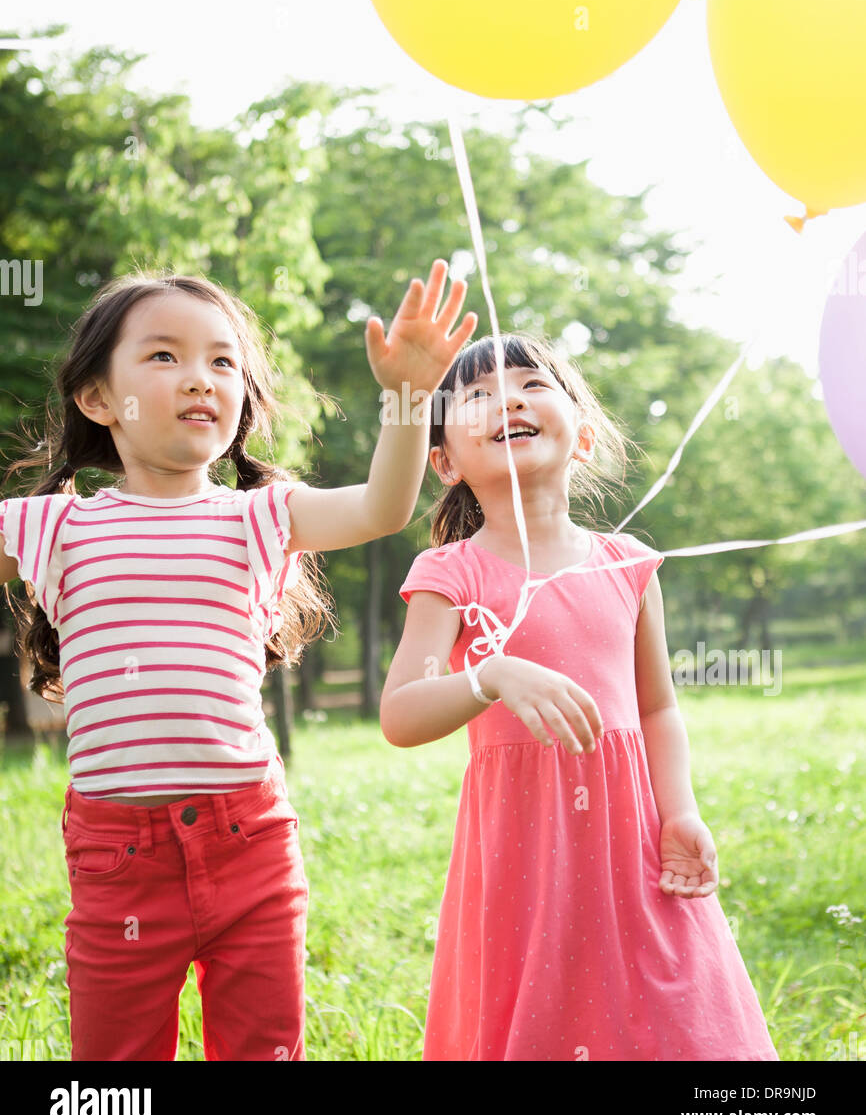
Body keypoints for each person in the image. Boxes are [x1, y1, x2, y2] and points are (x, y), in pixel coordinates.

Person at [0, 260, 476, 1061]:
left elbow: (382, 507)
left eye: (223, 362)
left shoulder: (260, 518)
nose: (200, 378)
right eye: (164, 356)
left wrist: (407, 397)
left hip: (247, 838)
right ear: (96, 398)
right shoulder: (56, 528)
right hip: (119, 855)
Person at [381, 331, 779, 1061]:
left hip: (631, 836)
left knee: (670, 1004)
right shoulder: (450, 572)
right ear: (445, 462)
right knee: (543, 995)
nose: (507, 398)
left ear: (584, 436)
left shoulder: (628, 565)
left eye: (532, 383)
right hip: (522, 846)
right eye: (475, 395)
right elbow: (402, 713)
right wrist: (489, 676)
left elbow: (657, 708)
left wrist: (681, 810)